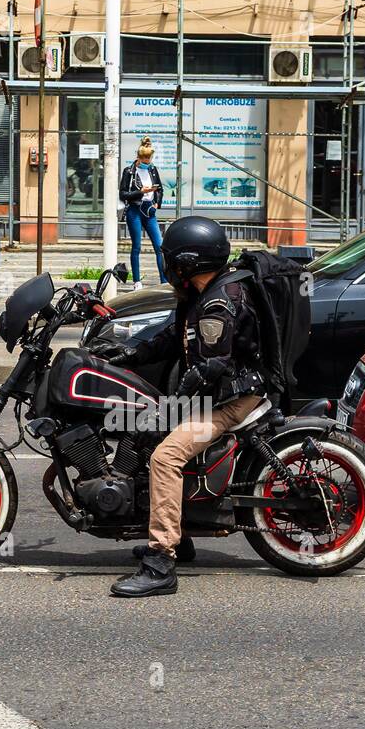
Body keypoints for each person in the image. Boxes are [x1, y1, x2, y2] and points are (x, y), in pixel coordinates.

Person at [105, 216, 266, 598]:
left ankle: (161, 562)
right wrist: (129, 354)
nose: (168, 265)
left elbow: (211, 368)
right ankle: (182, 534)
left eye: (172, 258)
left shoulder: (218, 304)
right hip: (218, 396)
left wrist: (170, 406)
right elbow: (171, 338)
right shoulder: (199, 295)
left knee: (165, 457)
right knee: (141, 433)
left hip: (232, 401)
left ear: (188, 263)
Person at [119, 136, 166, 289]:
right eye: (144, 160)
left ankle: (164, 280)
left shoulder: (152, 169)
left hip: (149, 210)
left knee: (160, 246)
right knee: (137, 246)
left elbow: (159, 189)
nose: (147, 162)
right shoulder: (129, 171)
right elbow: (123, 194)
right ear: (138, 157)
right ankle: (137, 281)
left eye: (149, 159)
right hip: (135, 210)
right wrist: (141, 192)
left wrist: (157, 203)